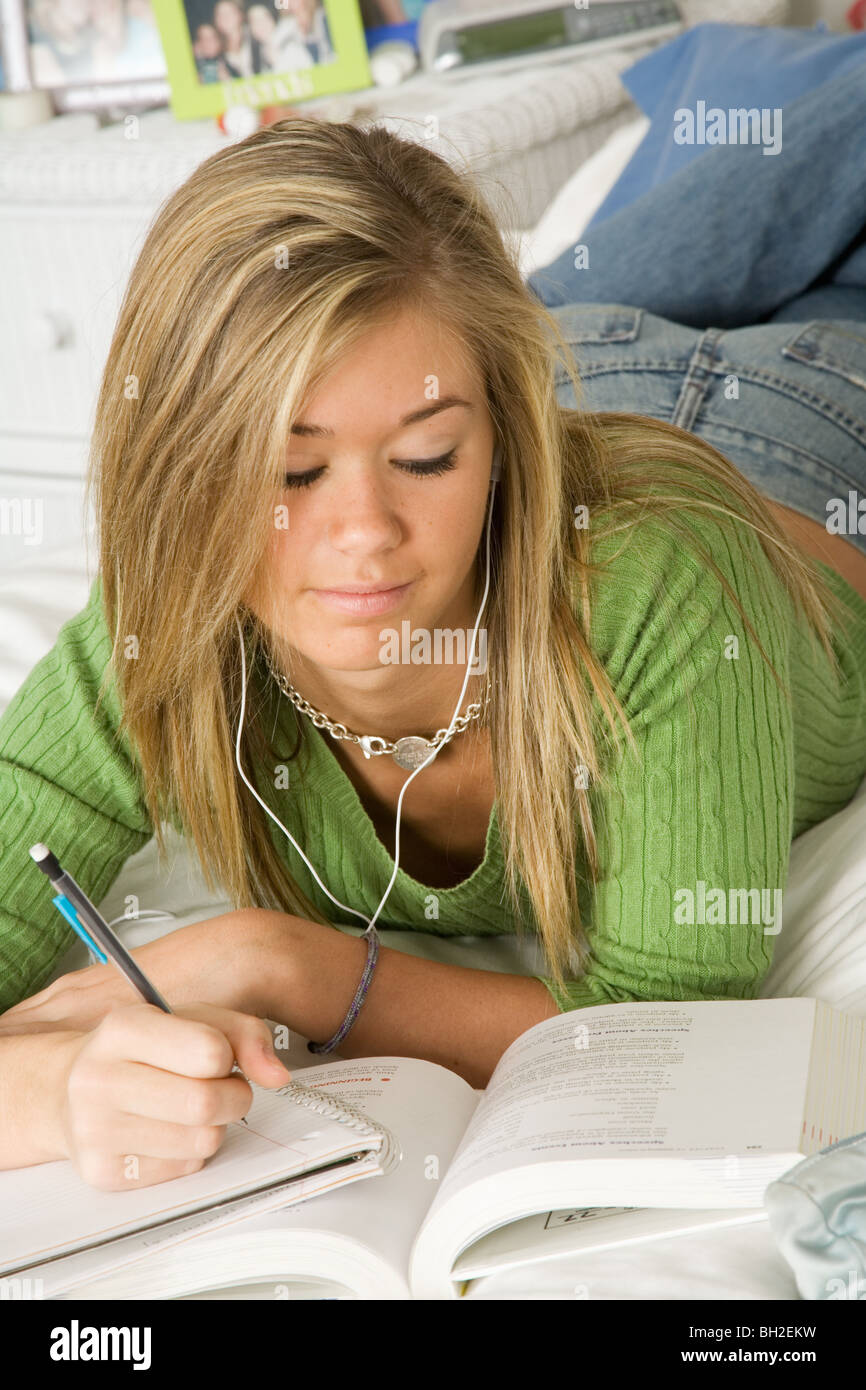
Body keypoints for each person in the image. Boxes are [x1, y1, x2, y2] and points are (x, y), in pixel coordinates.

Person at [0, 103, 864, 1191]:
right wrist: (52, 1095)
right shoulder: (165, 611)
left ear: (498, 440)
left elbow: (664, 1032)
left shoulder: (655, 580)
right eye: (291, 471)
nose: (363, 534)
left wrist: (275, 959)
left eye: (423, 460)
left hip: (804, 421)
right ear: (183, 474)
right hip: (545, 347)